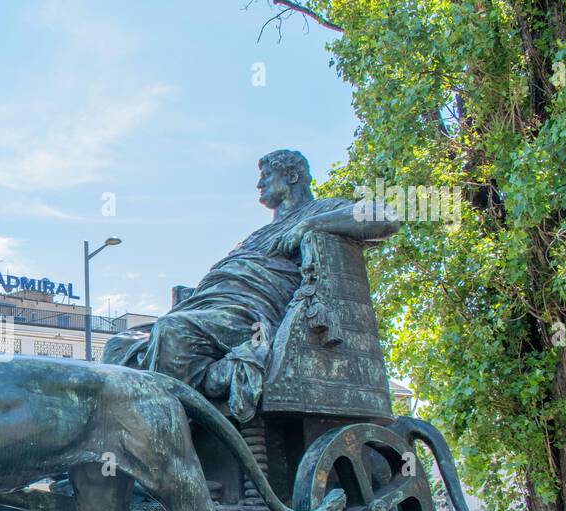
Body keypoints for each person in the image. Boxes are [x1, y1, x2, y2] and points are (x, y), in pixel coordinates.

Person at [102, 150, 400, 421]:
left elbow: (388, 217)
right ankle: (124, 448)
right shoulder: (257, 234)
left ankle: (165, 446)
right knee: (120, 345)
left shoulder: (318, 212)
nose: (259, 184)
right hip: (214, 306)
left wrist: (311, 225)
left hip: (256, 312)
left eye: (266, 175)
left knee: (174, 331)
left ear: (292, 176)